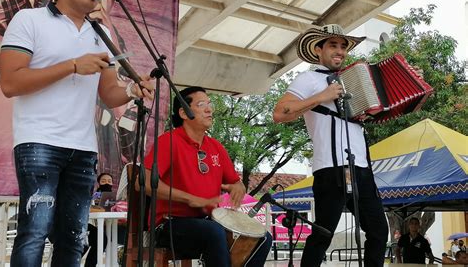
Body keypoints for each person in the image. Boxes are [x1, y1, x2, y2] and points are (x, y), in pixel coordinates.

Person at [0, 0, 154, 267]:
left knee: (74, 235)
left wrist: (131, 90)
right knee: (35, 230)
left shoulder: (101, 34)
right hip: (39, 141)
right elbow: (11, 82)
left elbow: (109, 94)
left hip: (83, 148)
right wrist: (71, 65)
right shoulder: (30, 19)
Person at [273, 24, 389, 266]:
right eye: (333, 45)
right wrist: (321, 97)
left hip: (361, 169)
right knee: (323, 234)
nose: (340, 51)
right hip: (330, 168)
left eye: (343, 46)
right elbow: (280, 113)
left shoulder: (352, 82)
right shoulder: (308, 78)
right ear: (318, 50)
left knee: (378, 231)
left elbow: (382, 106)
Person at [142, 86, 273, 266]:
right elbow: (146, 183)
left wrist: (237, 188)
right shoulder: (168, 141)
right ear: (183, 112)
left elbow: (237, 183)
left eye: (209, 104)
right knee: (213, 232)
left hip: (207, 223)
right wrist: (191, 199)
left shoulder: (216, 147)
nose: (209, 109)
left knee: (262, 238)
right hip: (169, 224)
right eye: (201, 104)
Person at [83, 172, 114, 267]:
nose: (107, 183)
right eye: (103, 181)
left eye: (109, 181)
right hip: (87, 224)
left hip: (103, 225)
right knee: (100, 239)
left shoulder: (113, 197)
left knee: (103, 239)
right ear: (99, 183)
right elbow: (89, 207)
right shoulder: (94, 195)